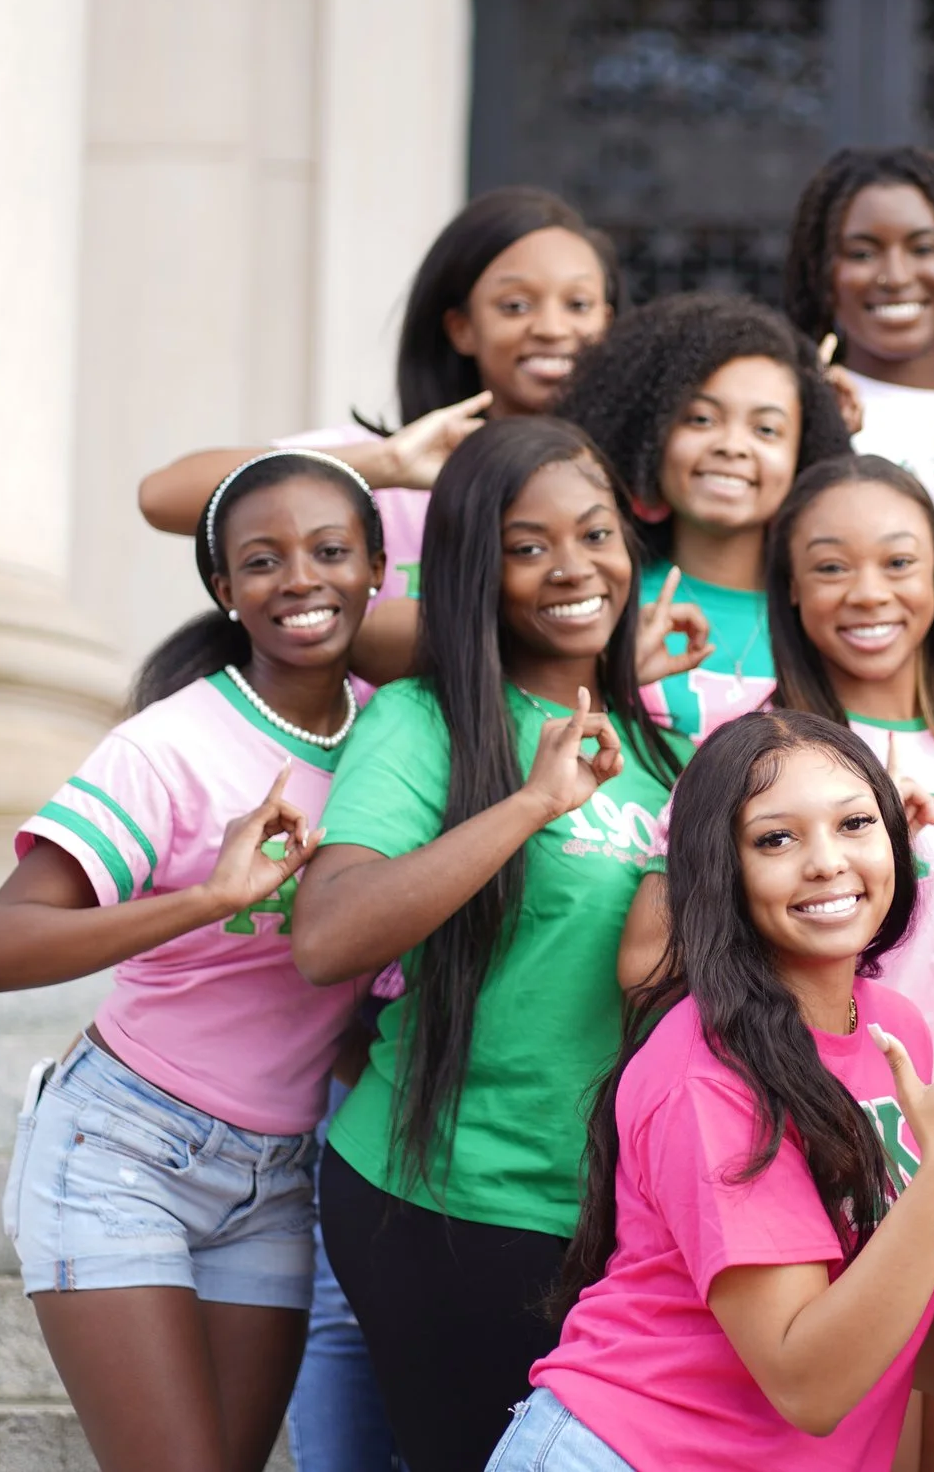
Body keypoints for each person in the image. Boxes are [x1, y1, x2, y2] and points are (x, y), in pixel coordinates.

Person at [0, 450, 387, 1472]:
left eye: (330, 552)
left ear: (377, 572)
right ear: (222, 589)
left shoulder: (395, 737)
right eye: (262, 560)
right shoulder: (170, 746)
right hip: (123, 1148)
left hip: (279, 1171)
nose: (300, 580)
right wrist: (208, 900)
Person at [501, 711, 934, 1472]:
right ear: (717, 870)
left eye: (856, 822)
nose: (827, 862)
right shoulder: (707, 1072)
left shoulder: (893, 1027)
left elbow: (883, 1310)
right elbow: (810, 1381)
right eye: (776, 839)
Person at [287, 418, 689, 1472]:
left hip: (611, 1221)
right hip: (440, 1203)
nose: (573, 568)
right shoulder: (422, 722)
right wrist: (531, 802)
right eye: (529, 545)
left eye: (596, 533)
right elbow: (327, 937)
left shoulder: (670, 751)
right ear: (475, 567)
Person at [617, 456, 934, 1035]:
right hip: (846, 1110)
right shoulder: (750, 754)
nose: (869, 593)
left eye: (899, 562)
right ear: (791, 585)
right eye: (831, 567)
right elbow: (647, 965)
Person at [137, 186, 623, 688]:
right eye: (516, 305)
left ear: (607, 322)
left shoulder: (633, 488)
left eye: (578, 304)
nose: (550, 327)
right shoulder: (386, 468)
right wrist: (386, 464)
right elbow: (162, 498)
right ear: (461, 328)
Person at [562, 290, 852, 745]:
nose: (732, 445)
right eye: (700, 419)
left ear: (803, 454)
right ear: (650, 438)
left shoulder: (828, 612)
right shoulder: (599, 599)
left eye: (766, 429)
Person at [784, 146, 934, 496]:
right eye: (862, 254)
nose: (895, 277)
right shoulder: (793, 409)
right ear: (820, 270)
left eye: (923, 248)